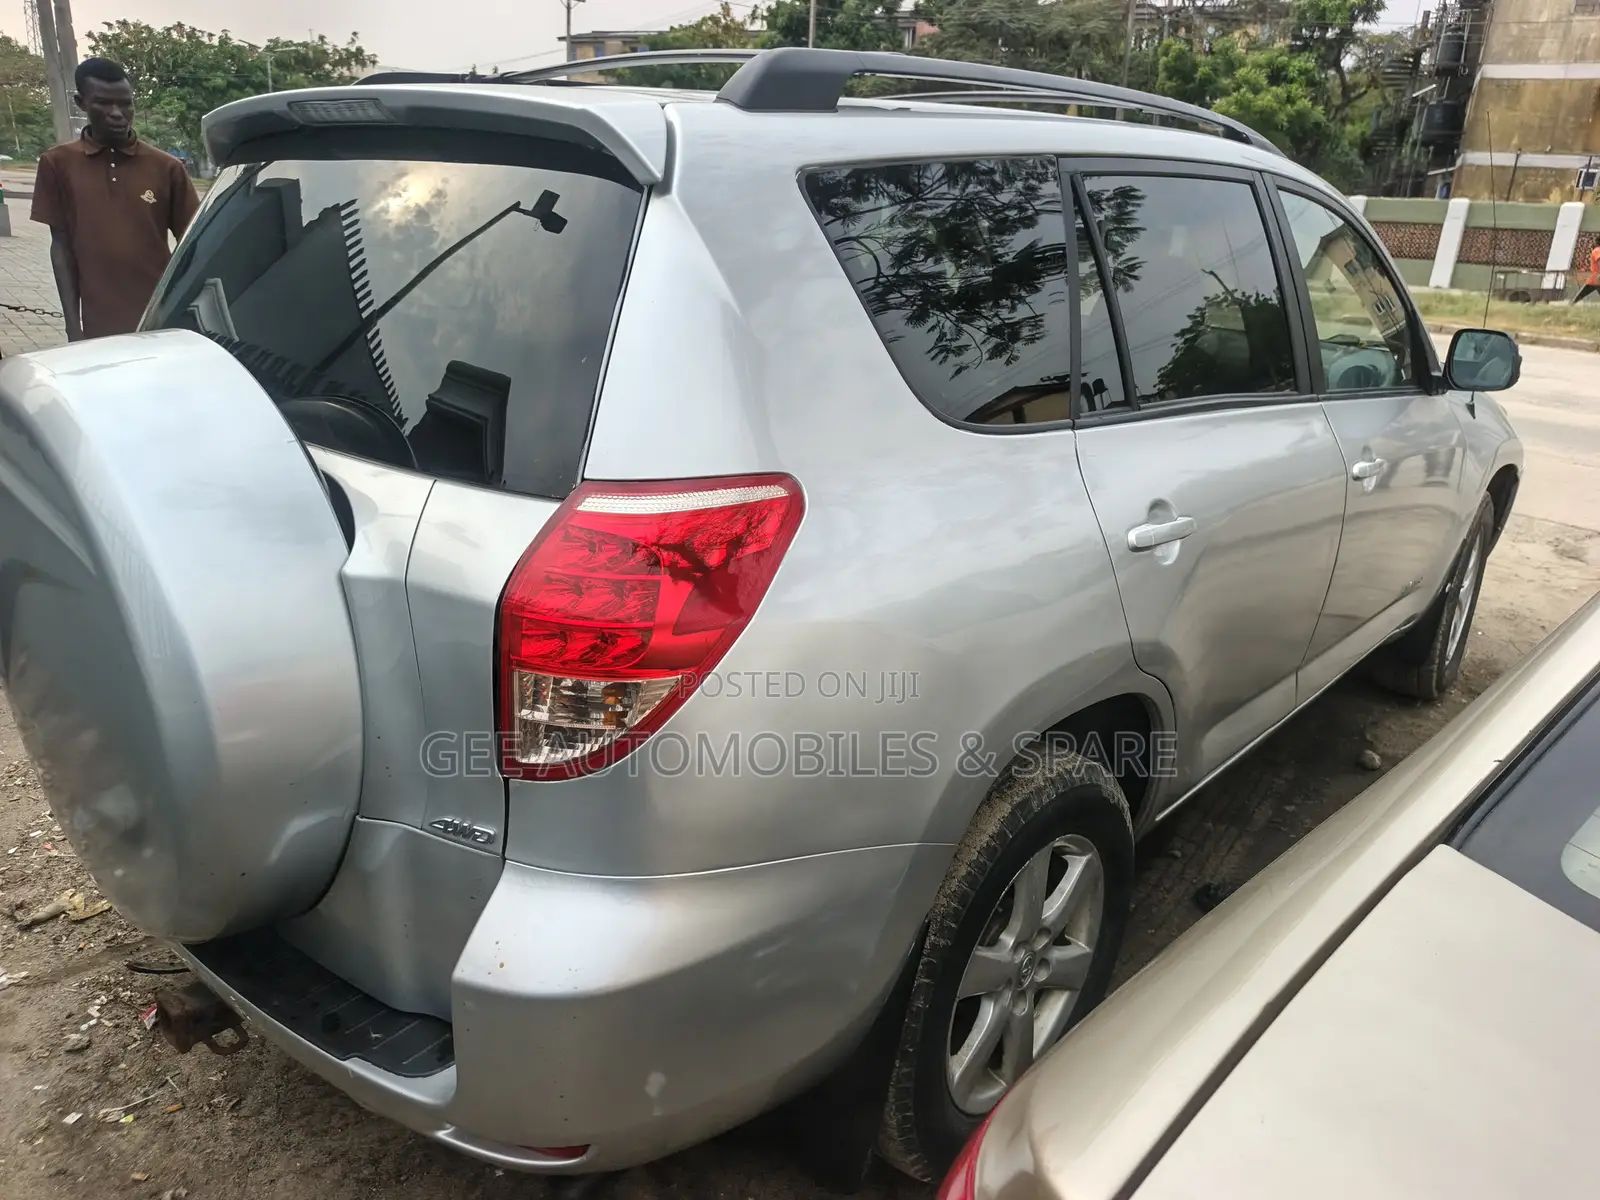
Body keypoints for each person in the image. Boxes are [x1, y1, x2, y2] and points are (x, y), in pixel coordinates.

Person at [29, 57, 200, 341]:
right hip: (98, 326)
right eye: (103, 103)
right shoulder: (57, 164)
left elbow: (192, 247)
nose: (117, 113)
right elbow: (61, 248)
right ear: (81, 103)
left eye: (125, 103)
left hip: (160, 322)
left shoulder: (167, 167)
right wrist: (73, 326)